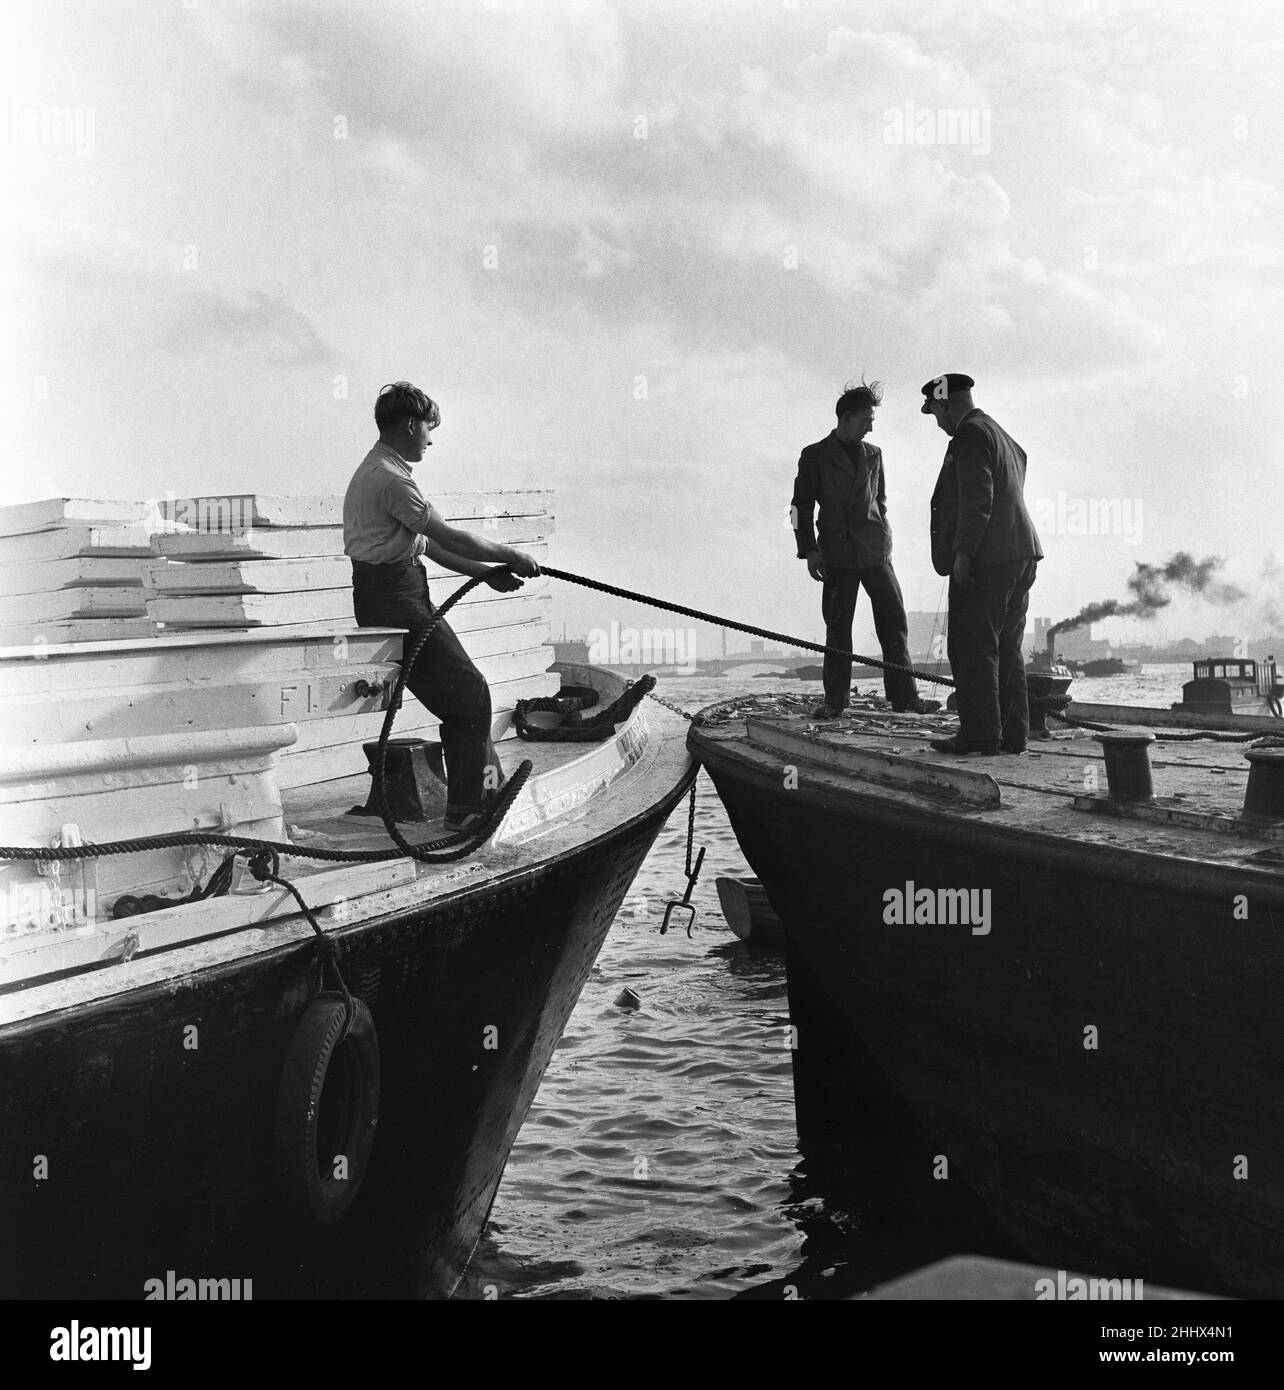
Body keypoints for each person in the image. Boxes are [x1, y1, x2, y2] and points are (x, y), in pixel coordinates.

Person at [343, 381, 541, 829]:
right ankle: (470, 807)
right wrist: (510, 555)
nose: (431, 440)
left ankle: (479, 793)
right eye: (429, 430)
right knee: (469, 694)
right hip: (397, 602)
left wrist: (483, 574)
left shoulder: (379, 471)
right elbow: (449, 536)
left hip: (391, 595)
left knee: (465, 694)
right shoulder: (391, 480)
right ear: (410, 425)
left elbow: (426, 544)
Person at [790, 379, 936, 718]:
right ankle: (835, 702)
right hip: (837, 553)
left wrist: (884, 534)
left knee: (894, 623)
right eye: (867, 420)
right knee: (838, 628)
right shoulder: (814, 456)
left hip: (875, 551)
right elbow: (800, 506)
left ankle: (905, 698)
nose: (871, 427)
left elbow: (880, 501)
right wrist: (808, 550)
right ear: (846, 418)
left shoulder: (874, 454)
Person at [921, 373, 1043, 755]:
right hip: (1021, 554)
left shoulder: (970, 435)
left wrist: (964, 553)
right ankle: (1013, 735)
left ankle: (979, 736)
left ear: (944, 403)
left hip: (989, 559)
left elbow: (979, 499)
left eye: (935, 413)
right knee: (1007, 647)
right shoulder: (1005, 437)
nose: (938, 423)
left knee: (973, 646)